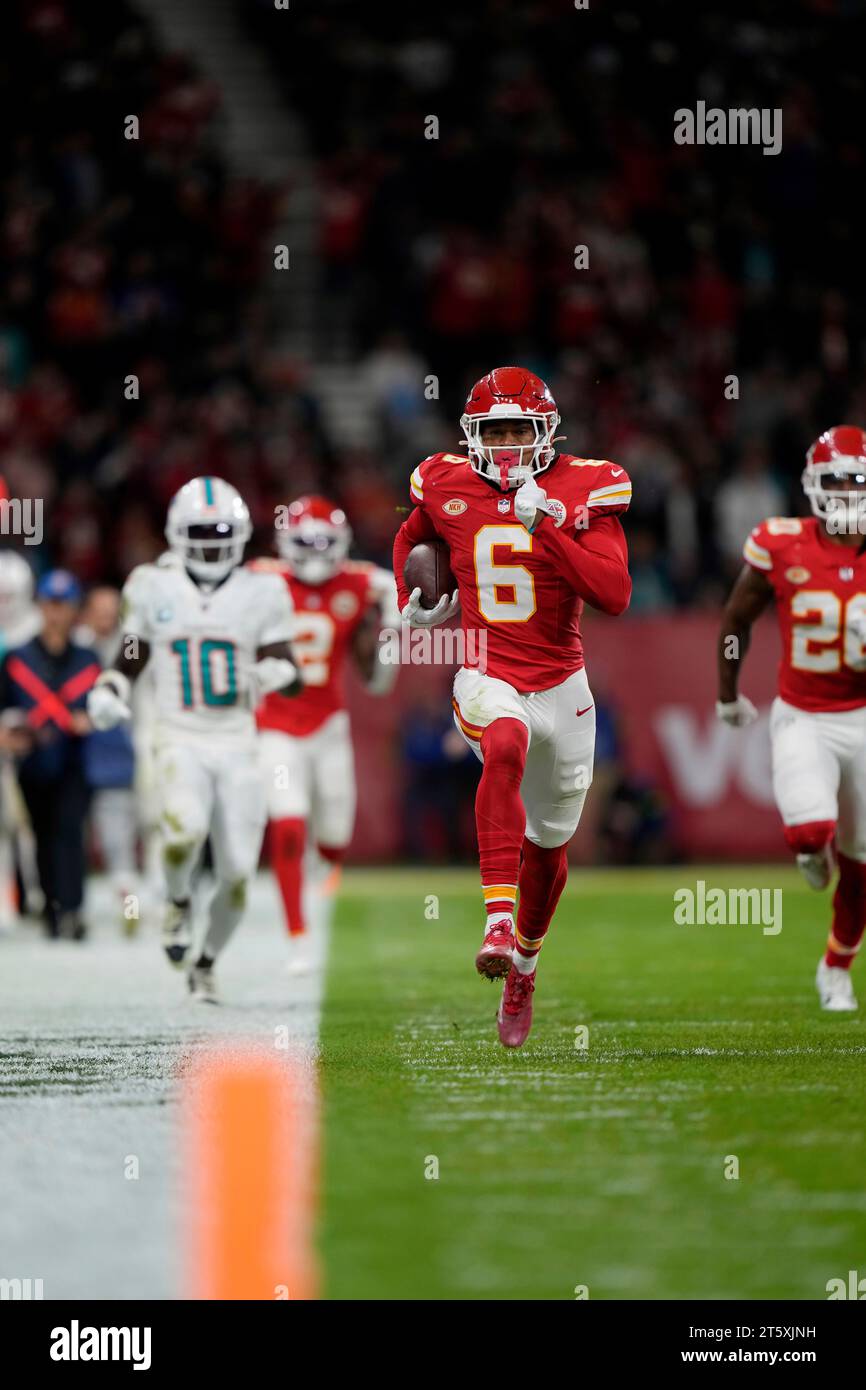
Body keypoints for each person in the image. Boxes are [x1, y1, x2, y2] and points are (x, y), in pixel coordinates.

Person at [393, 366, 632, 1047]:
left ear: (545, 433)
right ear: (471, 435)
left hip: (564, 687)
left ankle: (525, 963)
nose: (503, 445)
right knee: (502, 743)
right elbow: (414, 537)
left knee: (551, 846)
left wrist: (550, 529)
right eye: (492, 431)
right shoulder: (443, 480)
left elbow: (615, 593)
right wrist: (415, 593)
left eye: (517, 431)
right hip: (486, 670)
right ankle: (497, 919)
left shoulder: (588, 484)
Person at [86, 476, 299, 1003]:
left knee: (237, 875)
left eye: (220, 531)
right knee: (185, 830)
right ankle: (178, 901)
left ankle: (205, 963)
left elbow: (288, 665)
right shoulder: (151, 585)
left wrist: (277, 675)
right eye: (200, 532)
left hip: (239, 743)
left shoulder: (264, 588)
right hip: (178, 735)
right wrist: (111, 685)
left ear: (241, 534)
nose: (210, 543)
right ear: (177, 535)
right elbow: (132, 652)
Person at [717, 424, 866, 1013]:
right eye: (835, 481)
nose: (847, 492)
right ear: (811, 486)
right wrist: (727, 695)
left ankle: (836, 966)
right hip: (805, 715)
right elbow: (735, 621)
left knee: (860, 863)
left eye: (858, 480)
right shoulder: (781, 543)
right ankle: (813, 847)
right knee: (810, 833)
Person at [250, 496, 399, 972]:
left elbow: (398, 589)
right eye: (305, 541)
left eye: (322, 542)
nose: (314, 551)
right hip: (274, 724)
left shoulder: (360, 583)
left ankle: (320, 871)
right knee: (289, 821)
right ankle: (297, 934)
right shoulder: (261, 579)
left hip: (328, 725)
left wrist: (392, 623)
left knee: (334, 835)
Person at [0, 569, 99, 940]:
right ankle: (52, 908)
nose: (56, 613)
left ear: (74, 609)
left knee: (71, 832)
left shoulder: (87, 657)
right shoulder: (18, 657)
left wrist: (89, 719)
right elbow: (5, 705)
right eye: (50, 604)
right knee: (40, 835)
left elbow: (105, 707)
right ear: (40, 606)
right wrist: (9, 733)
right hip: (34, 762)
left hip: (75, 760)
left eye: (63, 605)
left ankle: (73, 909)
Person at [75, 586, 139, 930]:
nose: (106, 616)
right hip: (75, 755)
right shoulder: (75, 644)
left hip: (117, 753)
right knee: (72, 837)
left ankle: (130, 909)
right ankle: (73, 908)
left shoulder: (130, 645)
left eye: (112, 609)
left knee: (119, 839)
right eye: (99, 609)